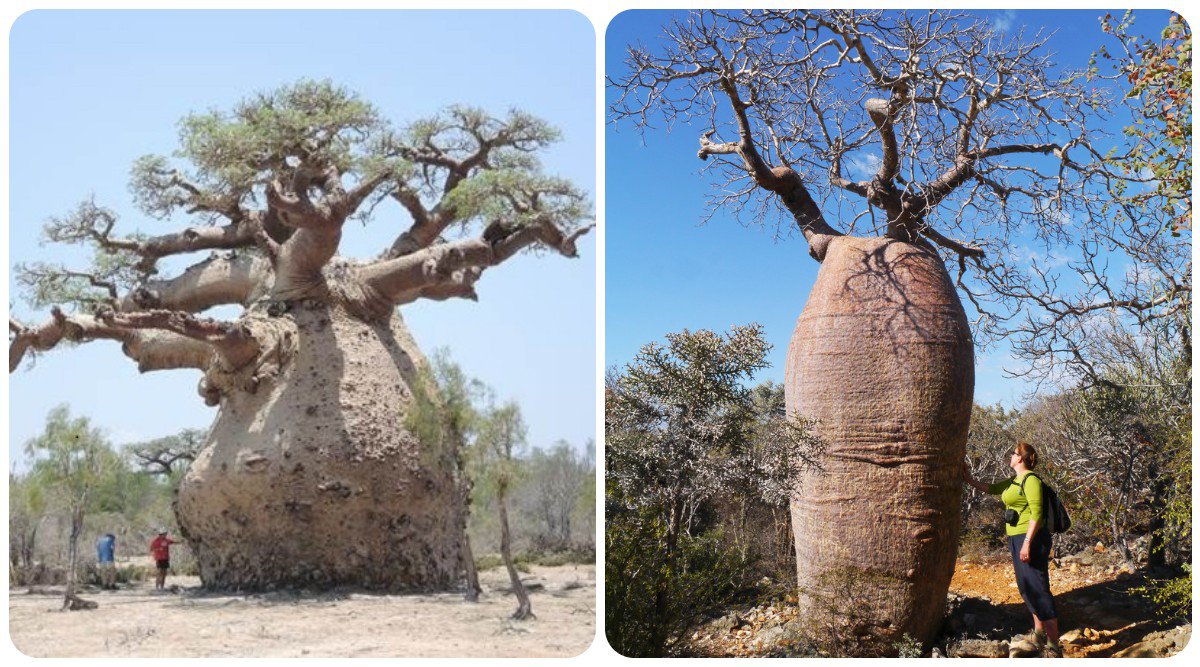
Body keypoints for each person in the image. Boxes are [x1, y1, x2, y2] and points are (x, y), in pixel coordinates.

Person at [962, 441, 1061, 658]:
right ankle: (1039, 634)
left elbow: (1036, 513)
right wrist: (968, 479)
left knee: (1038, 587)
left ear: (1021, 458)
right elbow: (992, 489)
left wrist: (1027, 542)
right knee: (1026, 587)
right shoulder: (1014, 480)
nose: (1011, 456)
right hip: (1016, 538)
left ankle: (1054, 645)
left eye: (1013, 453)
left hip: (1031, 538)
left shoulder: (1031, 480)